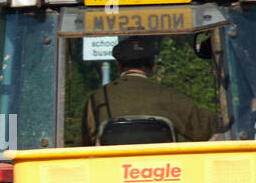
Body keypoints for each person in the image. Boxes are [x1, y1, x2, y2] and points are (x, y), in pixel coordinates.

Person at [80, 36, 222, 145]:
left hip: (110, 175)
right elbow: (204, 129)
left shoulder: (97, 98)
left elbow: (84, 143)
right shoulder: (169, 96)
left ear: (118, 64)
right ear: (152, 64)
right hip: (165, 174)